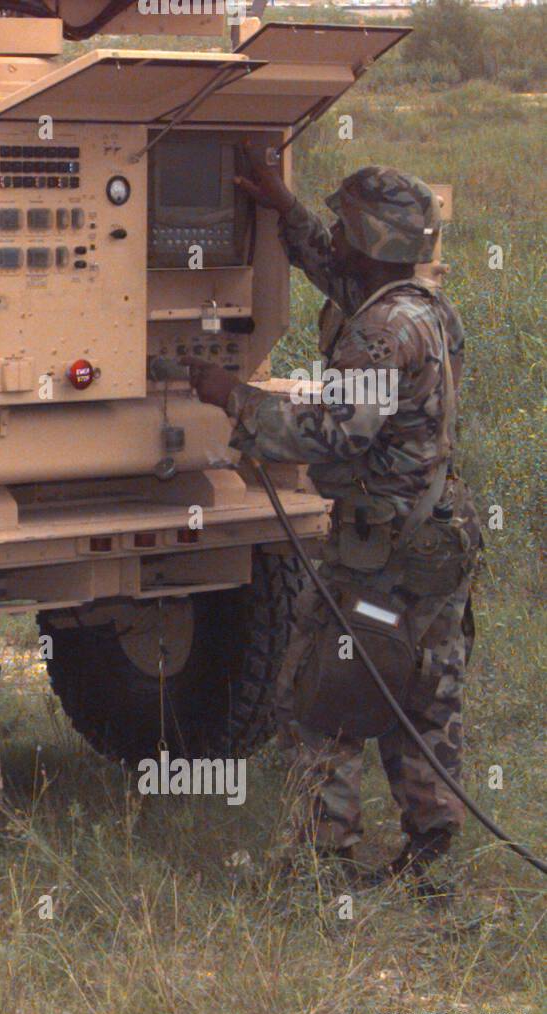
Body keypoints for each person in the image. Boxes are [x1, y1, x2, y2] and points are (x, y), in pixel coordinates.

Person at [186, 152, 482, 888]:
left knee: (322, 693)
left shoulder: (378, 335)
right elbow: (342, 273)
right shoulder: (420, 306)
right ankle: (432, 842)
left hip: (384, 552)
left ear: (369, 241)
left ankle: (323, 861)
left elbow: (327, 434)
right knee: (425, 687)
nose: (340, 242)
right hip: (437, 535)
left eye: (347, 228)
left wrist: (233, 396)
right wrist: (286, 209)